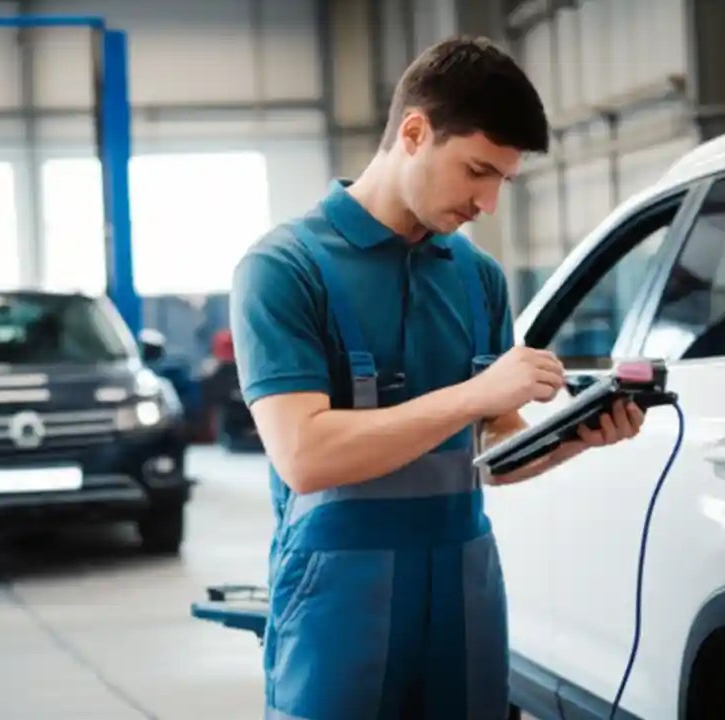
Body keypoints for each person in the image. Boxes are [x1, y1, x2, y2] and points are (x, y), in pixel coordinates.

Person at [229, 36, 646, 719]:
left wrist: (576, 436)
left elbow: (493, 455)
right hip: (338, 592)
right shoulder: (282, 268)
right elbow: (305, 457)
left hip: (464, 586)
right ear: (414, 132)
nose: (488, 204)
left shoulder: (477, 279)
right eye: (476, 171)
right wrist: (476, 394)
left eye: (502, 182)